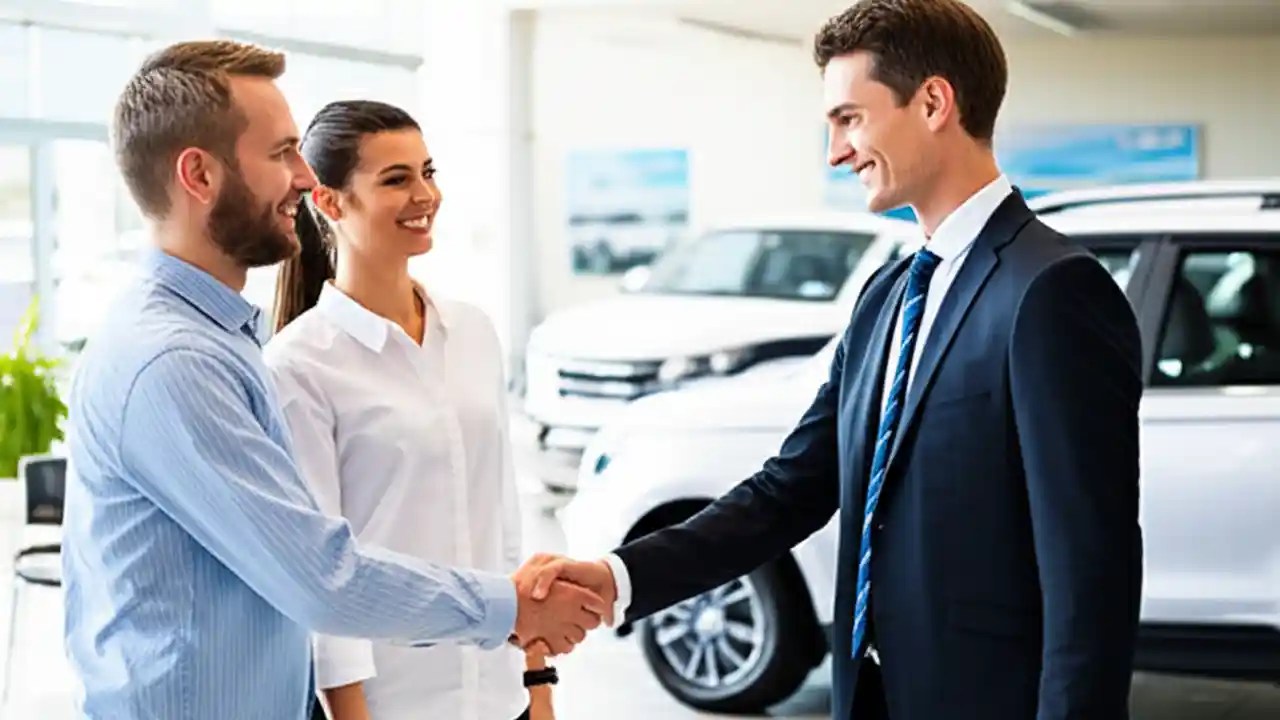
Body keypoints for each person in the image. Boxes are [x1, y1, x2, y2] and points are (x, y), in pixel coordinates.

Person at [538, 2, 1145, 719]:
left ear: (933, 102)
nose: (836, 151)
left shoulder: (1051, 291)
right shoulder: (886, 296)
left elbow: (1090, 570)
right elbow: (790, 489)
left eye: (849, 118)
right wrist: (618, 577)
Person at [62, 40, 601, 720]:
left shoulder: (223, 341)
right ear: (198, 175)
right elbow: (321, 576)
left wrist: (530, 666)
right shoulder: (177, 362)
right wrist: (513, 606)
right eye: (281, 153)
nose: (300, 176)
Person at [263, 100, 555, 720]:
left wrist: (538, 684)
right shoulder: (299, 365)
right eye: (396, 179)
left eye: (428, 171)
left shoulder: (473, 331)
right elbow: (323, 581)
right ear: (330, 202)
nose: (426, 194)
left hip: (499, 698)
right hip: (393, 706)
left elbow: (503, 527)